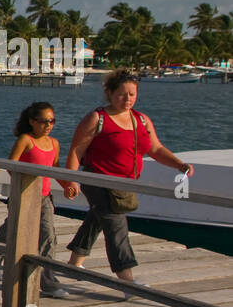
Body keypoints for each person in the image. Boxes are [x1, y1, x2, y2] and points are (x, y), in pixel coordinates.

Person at [63, 69, 193, 286]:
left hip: (125, 183)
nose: (127, 99)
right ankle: (127, 281)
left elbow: (155, 149)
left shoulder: (141, 120)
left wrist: (179, 165)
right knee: (116, 225)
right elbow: (76, 150)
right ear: (110, 93)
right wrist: (71, 180)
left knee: (98, 217)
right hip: (98, 179)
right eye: (122, 94)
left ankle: (74, 263)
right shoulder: (97, 118)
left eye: (132, 94)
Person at [0, 102, 72, 299]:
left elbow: (54, 168)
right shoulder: (26, 140)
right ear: (32, 122)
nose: (48, 125)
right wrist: (22, 186)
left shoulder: (54, 143)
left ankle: (48, 283)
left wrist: (67, 185)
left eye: (52, 121)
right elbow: (10, 165)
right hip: (23, 195)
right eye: (44, 121)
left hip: (45, 197)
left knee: (47, 237)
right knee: (12, 230)